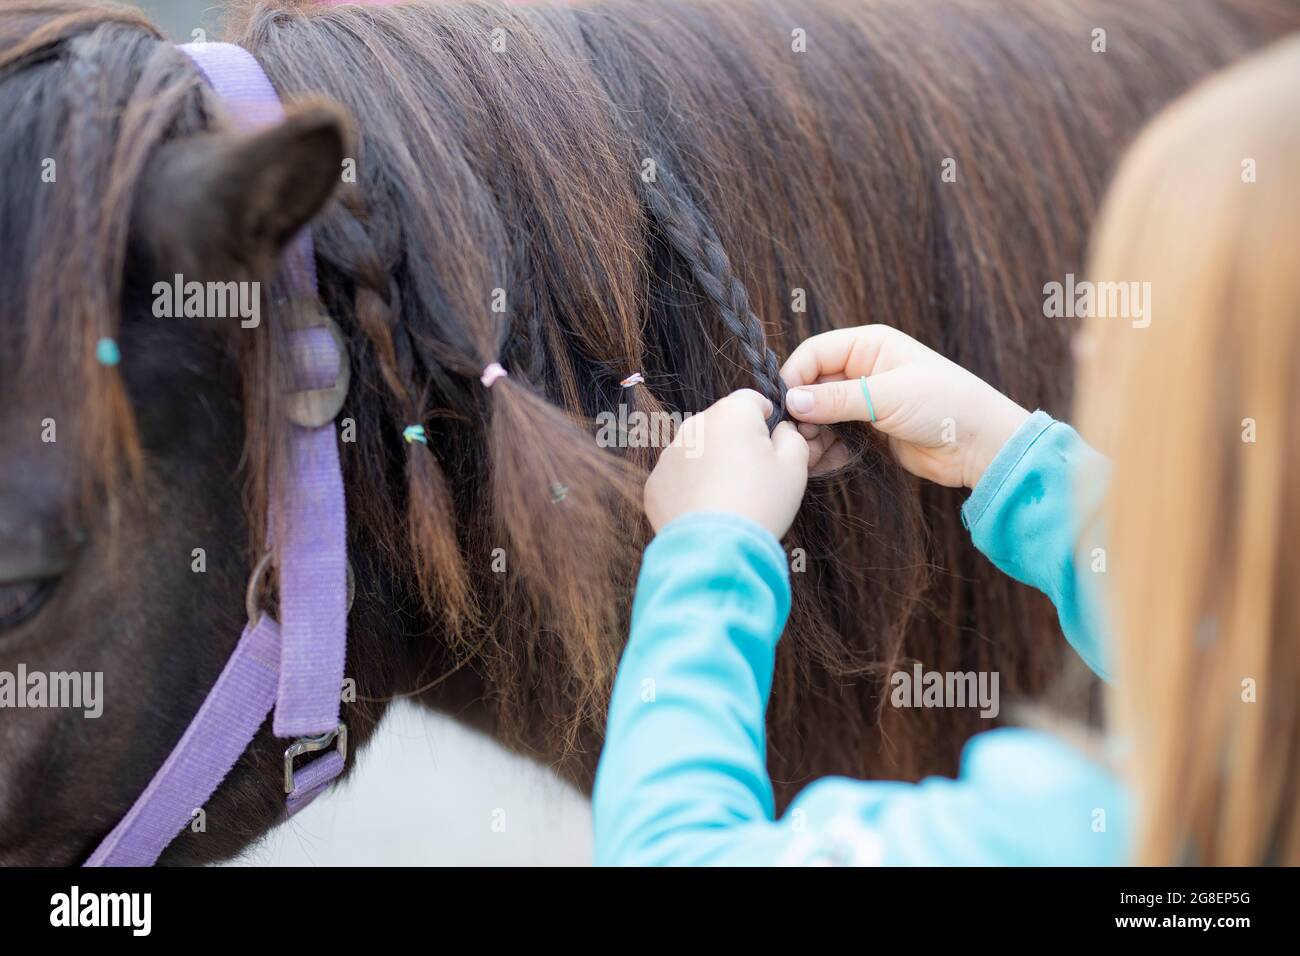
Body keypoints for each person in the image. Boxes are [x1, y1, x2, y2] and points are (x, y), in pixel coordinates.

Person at [592, 35, 1300, 866]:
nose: (1086, 350)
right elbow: (1241, 618)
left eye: (1137, 329)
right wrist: (1012, 457)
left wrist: (705, 551)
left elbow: (672, 854)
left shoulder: (1072, 834)